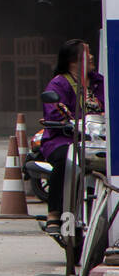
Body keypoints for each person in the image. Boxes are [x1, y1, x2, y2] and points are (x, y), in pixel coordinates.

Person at [39, 38, 104, 237]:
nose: (92, 56)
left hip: (96, 138)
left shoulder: (98, 81)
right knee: (65, 159)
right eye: (86, 53)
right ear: (73, 60)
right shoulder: (59, 83)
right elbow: (54, 113)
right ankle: (54, 214)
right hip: (64, 138)